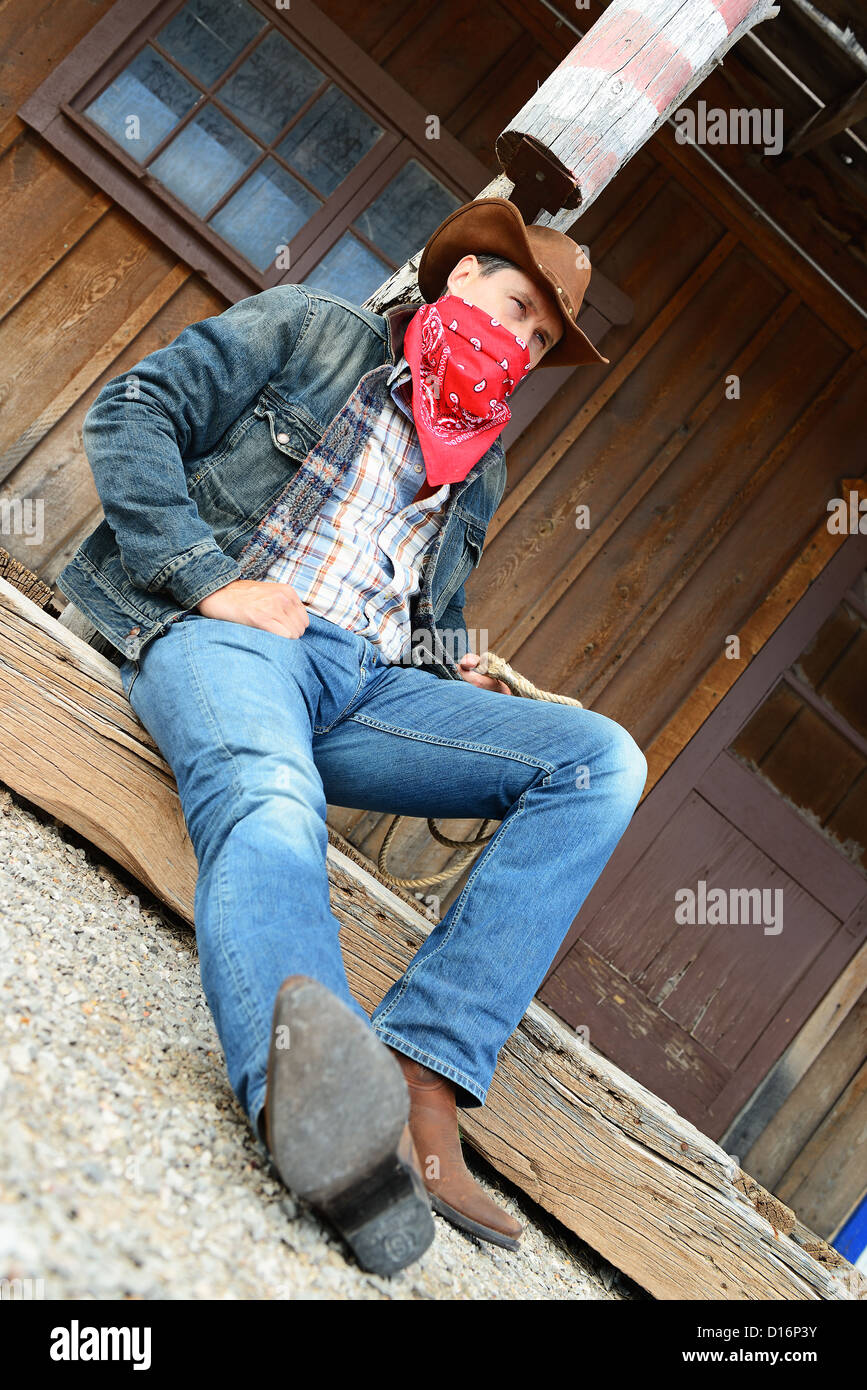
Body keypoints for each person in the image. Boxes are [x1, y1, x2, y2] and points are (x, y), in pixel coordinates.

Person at [56, 196, 647, 1277]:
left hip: (366, 687)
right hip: (231, 637)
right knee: (272, 799)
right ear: (460, 276)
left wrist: (444, 664)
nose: (517, 346)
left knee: (601, 757)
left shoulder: (483, 467)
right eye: (515, 309)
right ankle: (329, 1120)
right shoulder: (312, 328)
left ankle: (424, 1072)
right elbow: (131, 411)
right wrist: (211, 579)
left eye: (539, 342)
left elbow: (403, 601)